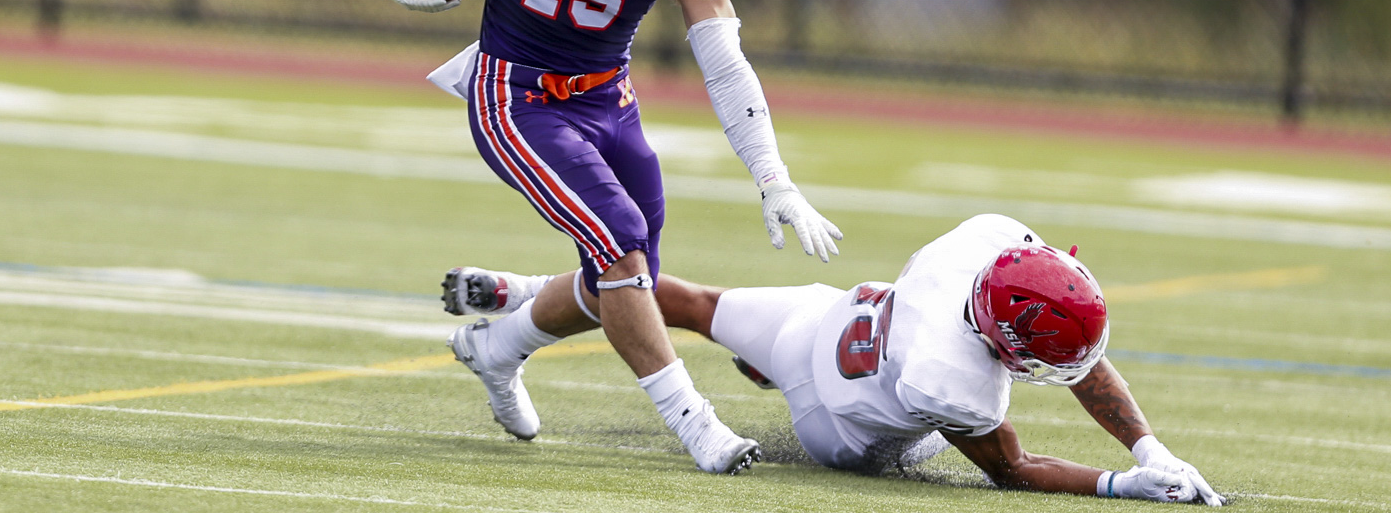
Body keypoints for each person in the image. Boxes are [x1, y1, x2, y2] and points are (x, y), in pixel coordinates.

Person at [368, 0, 843, 474]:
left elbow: (722, 60)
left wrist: (773, 177)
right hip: (516, 92)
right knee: (618, 245)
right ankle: (698, 425)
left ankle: (496, 347)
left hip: (607, 99)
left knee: (623, 277)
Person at [444, 215, 1227, 505]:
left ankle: (527, 291)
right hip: (839, 425)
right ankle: (518, 309)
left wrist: (1150, 443)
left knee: (668, 295)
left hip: (822, 321)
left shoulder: (987, 243)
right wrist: (1124, 481)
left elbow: (1073, 351)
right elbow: (1011, 469)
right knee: (931, 443)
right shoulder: (953, 382)